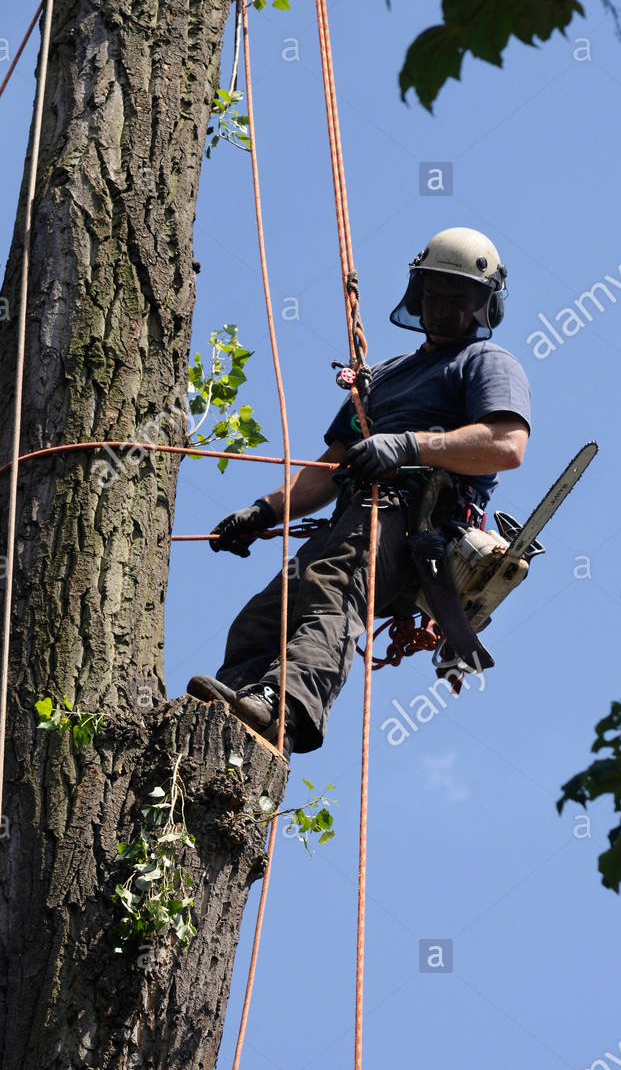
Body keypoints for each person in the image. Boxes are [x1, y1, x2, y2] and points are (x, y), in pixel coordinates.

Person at [187, 228, 531, 761]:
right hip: (352, 518)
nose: (442, 308)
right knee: (264, 615)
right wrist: (263, 511)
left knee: (333, 588)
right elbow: (329, 469)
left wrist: (408, 444)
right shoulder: (384, 378)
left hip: (412, 521)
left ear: (483, 306)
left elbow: (505, 445)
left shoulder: (484, 364)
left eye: (458, 298)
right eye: (434, 294)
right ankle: (232, 717)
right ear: (417, 294)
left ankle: (285, 707)